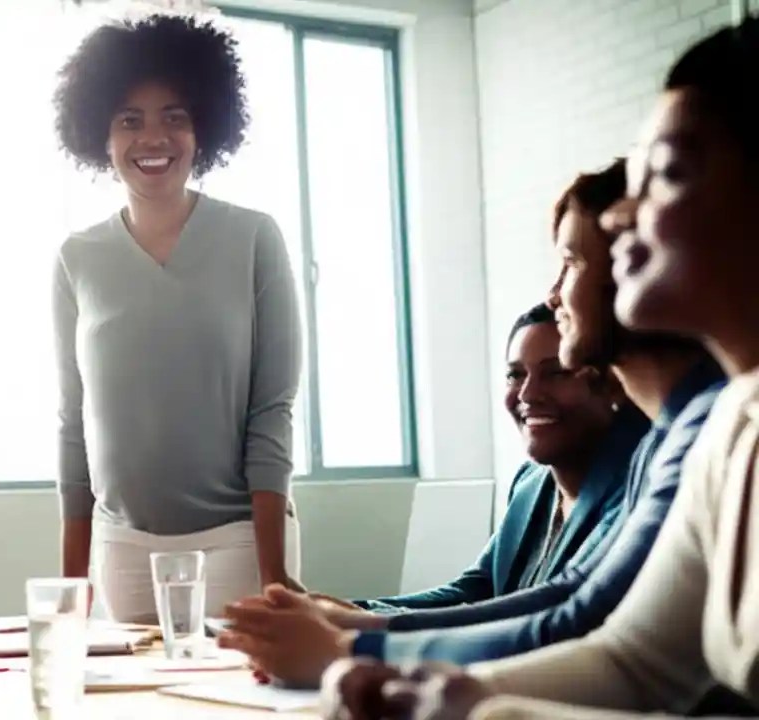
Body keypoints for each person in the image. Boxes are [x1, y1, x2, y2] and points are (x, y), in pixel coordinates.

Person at [321, 15, 759, 719]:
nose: (619, 218)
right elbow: (634, 661)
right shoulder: (732, 422)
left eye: (669, 174)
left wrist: (478, 710)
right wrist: (452, 689)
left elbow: (581, 615)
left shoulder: (689, 429)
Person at [223, 162, 726, 691]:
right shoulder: (657, 439)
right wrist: (360, 621)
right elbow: (555, 599)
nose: (555, 295)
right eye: (515, 375)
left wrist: (357, 648)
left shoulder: (686, 434)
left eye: (572, 262)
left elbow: (583, 624)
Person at [222, 297, 650, 684]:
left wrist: (354, 632)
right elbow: (476, 590)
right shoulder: (532, 483)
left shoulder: (635, 487)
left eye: (555, 373)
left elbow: (551, 617)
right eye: (515, 375)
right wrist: (357, 611)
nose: (527, 393)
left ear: (610, 382)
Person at [51, 12, 303, 621]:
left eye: (175, 117)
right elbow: (73, 425)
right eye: (129, 121)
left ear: (204, 130)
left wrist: (275, 575)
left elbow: (272, 412)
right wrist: (71, 587)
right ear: (101, 137)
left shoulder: (253, 238)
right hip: (123, 548)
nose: (152, 138)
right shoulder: (76, 257)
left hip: (237, 543)